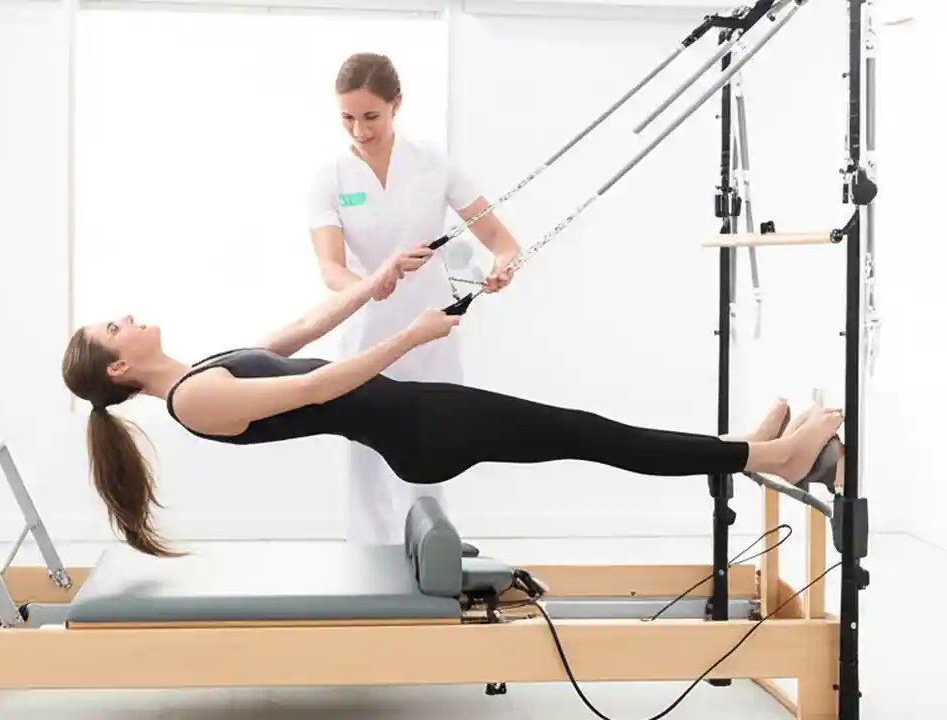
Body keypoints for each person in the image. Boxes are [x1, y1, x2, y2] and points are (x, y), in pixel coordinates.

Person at [61, 251, 845, 557]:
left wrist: (379, 283)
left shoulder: (202, 369)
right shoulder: (196, 400)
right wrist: (408, 335)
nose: (123, 313)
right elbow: (314, 387)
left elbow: (301, 331)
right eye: (111, 326)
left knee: (586, 431)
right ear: (121, 366)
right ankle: (770, 457)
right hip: (417, 425)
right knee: (591, 433)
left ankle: (742, 449)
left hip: (413, 414)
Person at [307, 51, 524, 545]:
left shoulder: (433, 163)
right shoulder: (330, 178)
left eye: (370, 117)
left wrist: (502, 268)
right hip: (364, 340)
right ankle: (368, 564)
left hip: (431, 338)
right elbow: (331, 270)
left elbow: (502, 241)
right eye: (347, 117)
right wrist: (373, 281)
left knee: (429, 457)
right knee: (365, 465)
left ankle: (431, 554)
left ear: (396, 105)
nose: (359, 130)